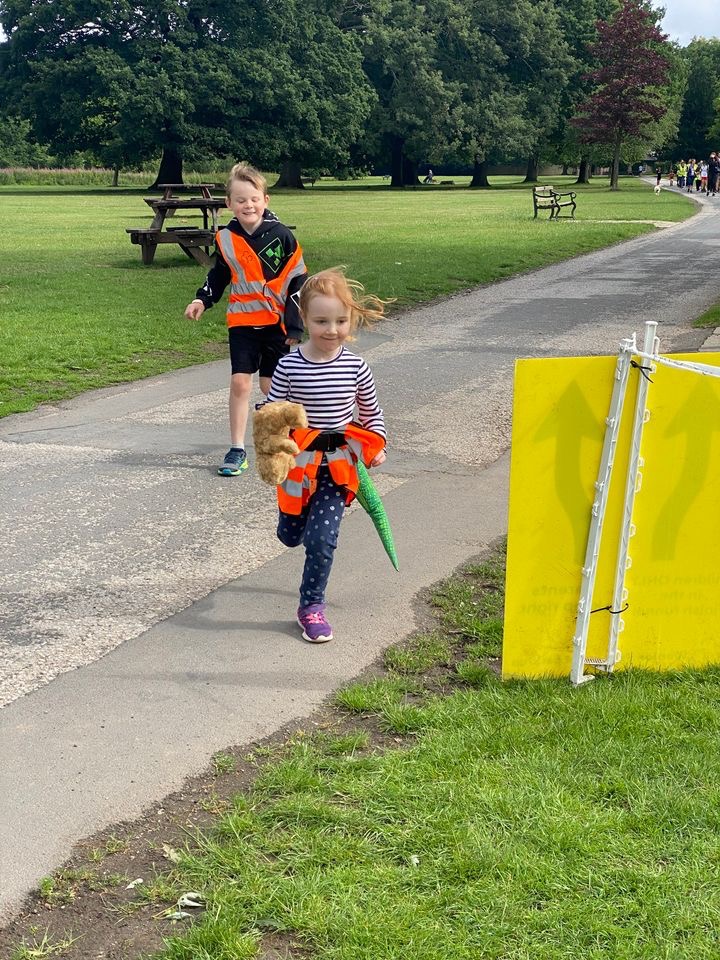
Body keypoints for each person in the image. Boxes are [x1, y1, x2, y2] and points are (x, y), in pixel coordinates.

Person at [261, 268, 389, 643]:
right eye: (321, 321)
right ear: (304, 318)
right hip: (297, 467)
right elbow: (273, 411)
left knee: (322, 539)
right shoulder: (289, 365)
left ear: (350, 319)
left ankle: (311, 606)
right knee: (291, 536)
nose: (332, 330)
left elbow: (372, 415)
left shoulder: (356, 367)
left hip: (337, 467)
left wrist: (378, 446)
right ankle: (291, 523)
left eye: (340, 321)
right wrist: (270, 437)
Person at [184, 162, 307, 476]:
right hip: (242, 323)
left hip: (276, 325)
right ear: (229, 203)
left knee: (271, 387)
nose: (248, 205)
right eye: (240, 200)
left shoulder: (282, 236)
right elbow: (220, 274)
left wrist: (295, 323)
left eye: (254, 199)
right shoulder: (226, 238)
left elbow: (298, 280)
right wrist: (202, 299)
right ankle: (237, 448)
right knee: (240, 382)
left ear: (265, 200)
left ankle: (287, 439)